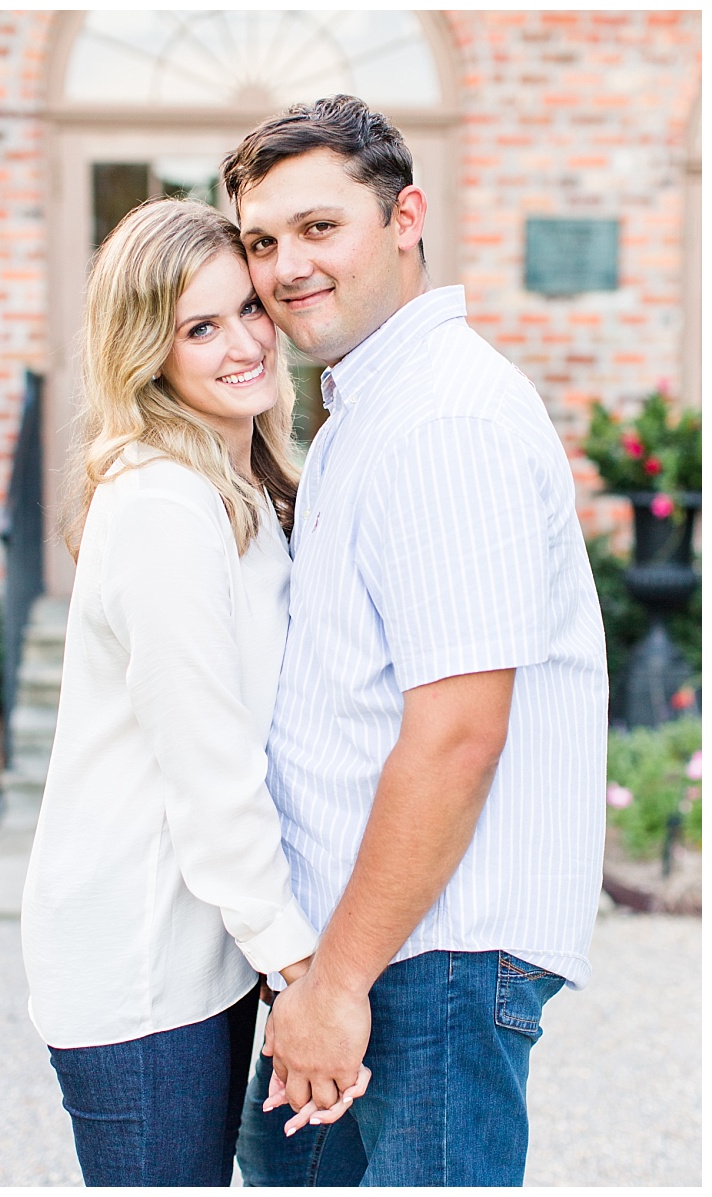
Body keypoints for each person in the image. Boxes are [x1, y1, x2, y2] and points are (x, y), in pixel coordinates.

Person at [224, 95, 608, 1186]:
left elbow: (457, 735)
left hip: (426, 964)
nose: (287, 265)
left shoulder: (445, 420)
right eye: (262, 241)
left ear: (405, 218)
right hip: (367, 955)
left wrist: (339, 983)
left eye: (318, 227)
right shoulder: (370, 408)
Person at [19, 198, 366, 1188]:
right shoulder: (163, 504)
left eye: (247, 310)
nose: (244, 344)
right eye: (198, 328)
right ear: (147, 353)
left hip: (204, 951)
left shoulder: (239, 480)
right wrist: (305, 978)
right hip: (138, 967)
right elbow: (211, 773)